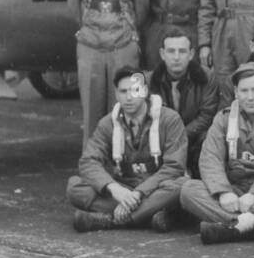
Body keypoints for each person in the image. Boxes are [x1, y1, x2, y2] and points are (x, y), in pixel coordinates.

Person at [179, 62, 254, 244]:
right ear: (236, 92)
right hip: (236, 191)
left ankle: (240, 225)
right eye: (244, 91)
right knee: (188, 190)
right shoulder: (224, 118)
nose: (250, 97)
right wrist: (223, 192)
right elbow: (210, 158)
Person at [66, 66, 187, 232]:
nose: (129, 97)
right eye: (123, 91)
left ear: (145, 91)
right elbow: (88, 161)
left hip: (156, 187)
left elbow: (174, 166)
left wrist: (139, 193)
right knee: (75, 188)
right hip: (125, 188)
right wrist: (115, 189)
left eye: (135, 90)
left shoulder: (170, 119)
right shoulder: (108, 123)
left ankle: (113, 221)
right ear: (116, 94)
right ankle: (150, 215)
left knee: (183, 185)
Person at [70, 0, 150, 143]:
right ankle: (92, 164)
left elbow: (142, 10)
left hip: (122, 44)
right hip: (90, 45)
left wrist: (125, 32)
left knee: (126, 107)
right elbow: (74, 7)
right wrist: (89, 32)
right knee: (91, 109)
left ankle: (123, 163)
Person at [149, 27, 220, 177]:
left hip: (193, 140)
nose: (176, 57)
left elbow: (207, 115)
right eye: (171, 51)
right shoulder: (148, 80)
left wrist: (179, 137)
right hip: (161, 141)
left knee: (209, 137)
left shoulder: (207, 77)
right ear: (162, 54)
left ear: (191, 54)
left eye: (182, 51)